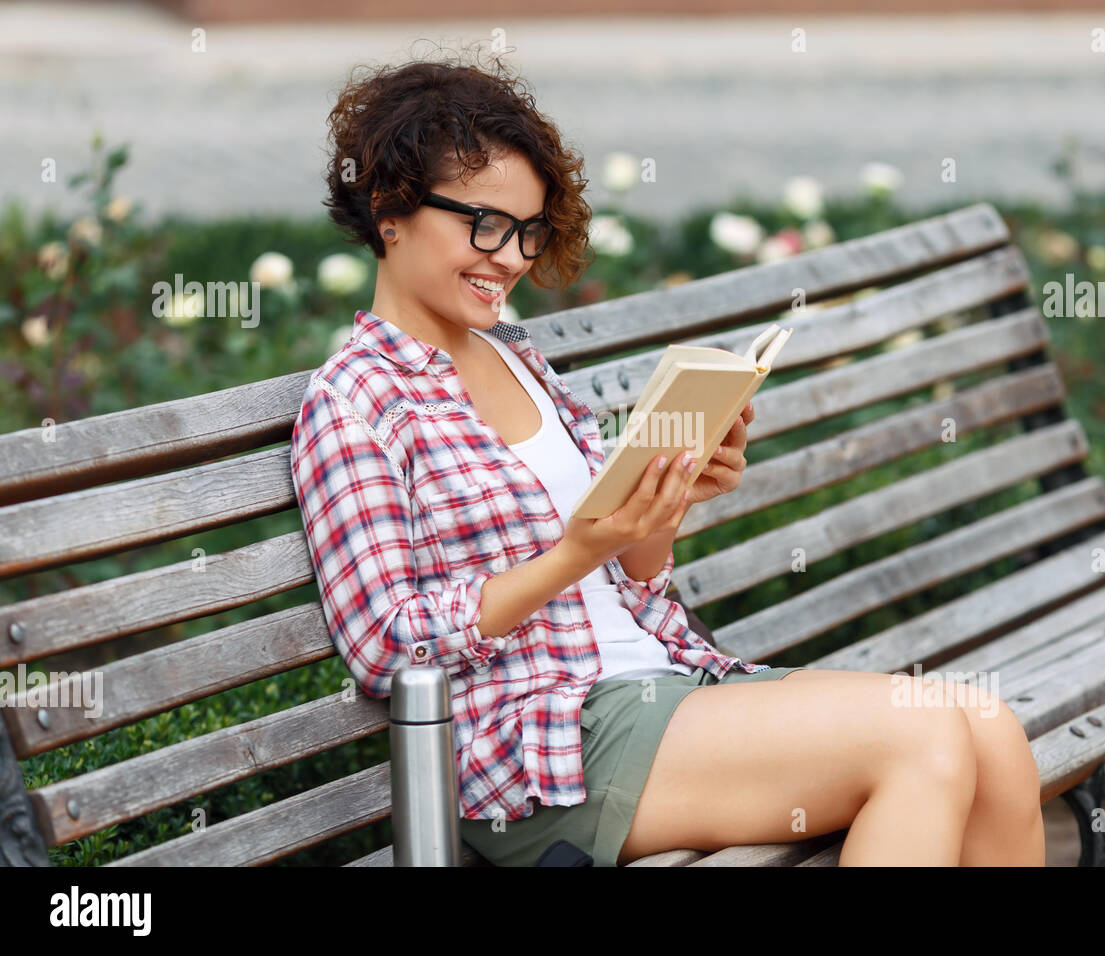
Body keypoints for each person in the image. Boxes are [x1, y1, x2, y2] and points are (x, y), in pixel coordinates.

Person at [290, 44, 1045, 867]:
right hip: (541, 749)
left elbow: (629, 578)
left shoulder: (518, 355)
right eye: (485, 223)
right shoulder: (356, 402)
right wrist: (576, 553)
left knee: (989, 730)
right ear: (388, 209)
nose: (510, 256)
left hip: (664, 681)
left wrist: (662, 508)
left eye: (529, 232)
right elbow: (387, 646)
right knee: (923, 738)